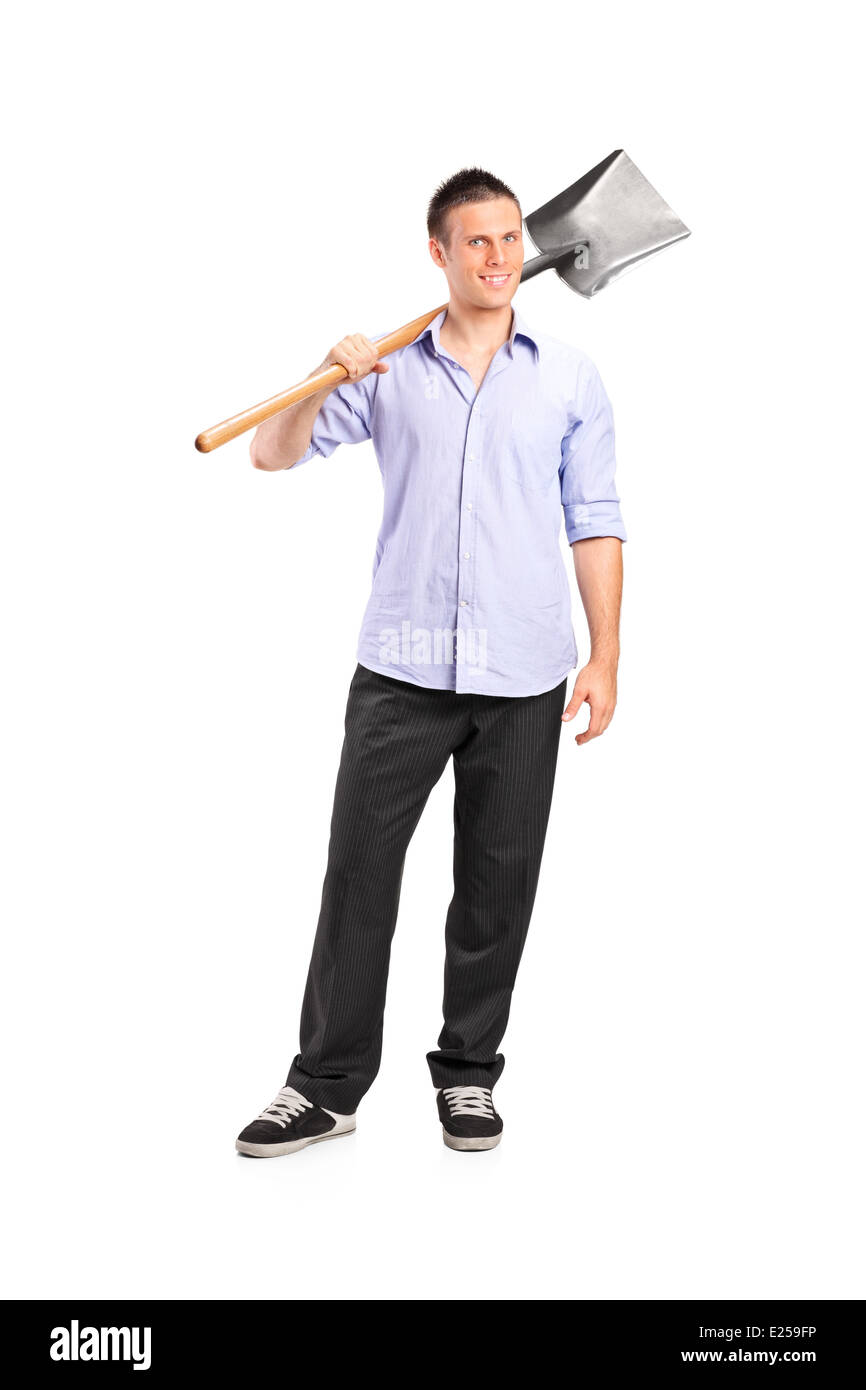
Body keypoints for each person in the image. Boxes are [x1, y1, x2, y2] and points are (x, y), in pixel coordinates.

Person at [236, 167, 626, 1157]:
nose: (497, 258)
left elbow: (594, 522)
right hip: (400, 672)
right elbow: (271, 454)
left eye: (507, 240)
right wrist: (326, 371)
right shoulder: (390, 371)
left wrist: (605, 655)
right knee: (356, 879)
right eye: (475, 242)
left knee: (496, 888)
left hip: (526, 672)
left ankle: (467, 1075)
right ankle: (324, 1084)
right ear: (438, 254)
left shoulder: (568, 378)